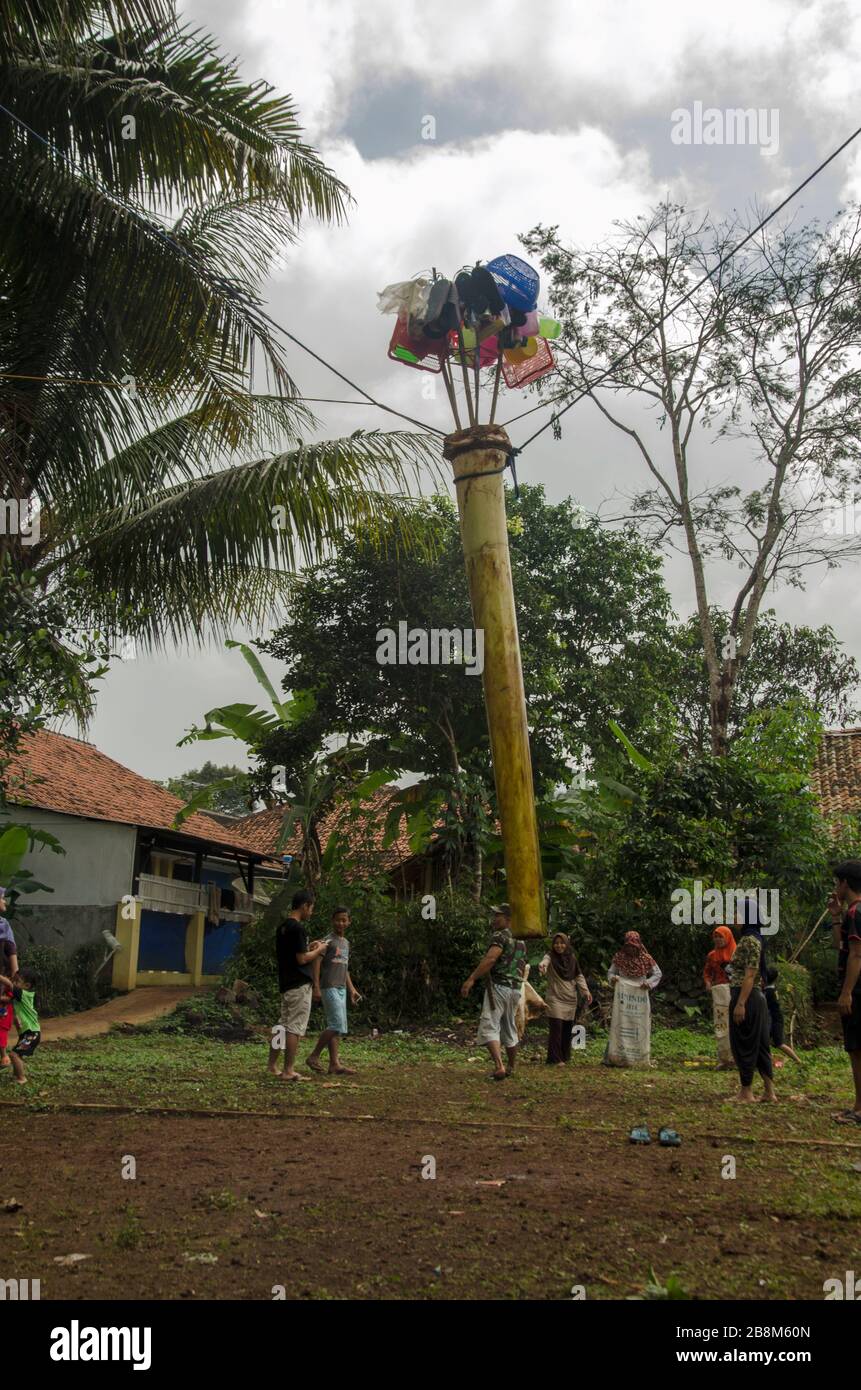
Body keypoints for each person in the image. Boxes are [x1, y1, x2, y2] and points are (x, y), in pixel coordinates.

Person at [268, 889, 327, 1083]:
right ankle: (288, 1070)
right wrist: (319, 950)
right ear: (304, 906)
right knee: (294, 1028)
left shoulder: (283, 927)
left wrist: (309, 948)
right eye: (311, 908)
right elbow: (301, 959)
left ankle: (272, 1065)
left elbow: (294, 953)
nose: (311, 912)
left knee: (281, 1025)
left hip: (285, 982)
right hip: (299, 983)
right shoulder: (299, 928)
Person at [461, 904, 526, 1081]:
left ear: (508, 919)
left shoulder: (500, 935)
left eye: (498, 915)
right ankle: (511, 1066)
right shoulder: (521, 939)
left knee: (490, 1024)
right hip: (515, 989)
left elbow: (491, 958)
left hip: (498, 987)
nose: (494, 919)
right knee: (509, 1026)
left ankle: (499, 1066)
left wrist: (471, 979)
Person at [727, 909, 776, 1104]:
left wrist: (740, 1003)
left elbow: (750, 974)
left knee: (743, 1042)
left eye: (737, 914)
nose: (734, 918)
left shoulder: (749, 940)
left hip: (746, 996)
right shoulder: (756, 939)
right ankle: (769, 1091)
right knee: (761, 1044)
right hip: (755, 996)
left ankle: (746, 1092)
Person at [306, 905, 361, 1076]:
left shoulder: (346, 943)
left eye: (344, 920)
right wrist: (316, 986)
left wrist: (352, 989)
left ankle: (334, 1064)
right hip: (328, 986)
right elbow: (316, 962)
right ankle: (314, 1056)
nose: (340, 923)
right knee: (336, 1024)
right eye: (338, 919)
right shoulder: (326, 941)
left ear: (349, 922)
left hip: (342, 988)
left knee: (336, 1027)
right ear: (332, 921)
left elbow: (345, 968)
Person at [828, 860, 861, 1124]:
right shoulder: (849, 912)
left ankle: (860, 1109)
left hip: (858, 990)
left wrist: (847, 992)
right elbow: (840, 945)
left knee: (857, 1048)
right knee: (854, 1048)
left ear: (846, 883)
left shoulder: (857, 912)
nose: (835, 887)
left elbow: (856, 956)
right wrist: (835, 916)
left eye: (837, 882)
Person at [604, 931, 662, 1067]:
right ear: (625, 945)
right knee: (619, 1023)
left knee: (639, 1024)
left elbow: (658, 973)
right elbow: (610, 972)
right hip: (623, 996)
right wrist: (614, 978)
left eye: (634, 946)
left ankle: (639, 1058)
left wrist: (648, 983)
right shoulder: (619, 957)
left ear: (638, 945)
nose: (631, 949)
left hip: (639, 995)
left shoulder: (646, 958)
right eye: (629, 946)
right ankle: (613, 1056)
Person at [538, 931, 591, 1065]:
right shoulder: (550, 956)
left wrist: (586, 992)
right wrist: (543, 966)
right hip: (555, 997)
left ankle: (564, 1056)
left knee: (567, 1028)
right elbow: (545, 961)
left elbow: (578, 976)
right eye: (556, 943)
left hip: (570, 998)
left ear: (566, 944)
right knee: (556, 1027)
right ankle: (554, 1059)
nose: (559, 946)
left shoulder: (572, 958)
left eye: (562, 943)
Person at [703, 925, 736, 1068]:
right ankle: (724, 1059)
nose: (717, 939)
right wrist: (708, 983)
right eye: (715, 937)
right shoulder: (712, 955)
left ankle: (738, 1059)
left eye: (720, 936)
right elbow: (707, 972)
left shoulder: (737, 953)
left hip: (735, 992)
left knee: (736, 1024)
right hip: (720, 995)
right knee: (721, 1024)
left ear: (727, 937)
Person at [0, 966, 39, 1084]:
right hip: (28, 1033)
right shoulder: (20, 997)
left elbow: (8, 983)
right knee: (18, 1055)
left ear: (27, 985)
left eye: (17, 981)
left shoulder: (24, 994)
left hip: (31, 1034)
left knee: (13, 1055)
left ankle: (22, 1078)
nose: (14, 983)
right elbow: (10, 1005)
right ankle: (17, 1075)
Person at [764, 965, 801, 1066]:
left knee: (779, 1044)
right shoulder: (772, 989)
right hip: (774, 1019)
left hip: (774, 1021)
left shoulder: (768, 992)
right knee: (764, 1042)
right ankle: (769, 1061)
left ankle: (798, 1061)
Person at [0, 890, 18, 1071]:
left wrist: (15, 979)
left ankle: (3, 1055)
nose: (4, 901)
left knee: (2, 1021)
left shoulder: (4, 925)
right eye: (1, 897)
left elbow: (11, 951)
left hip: (3, 984)